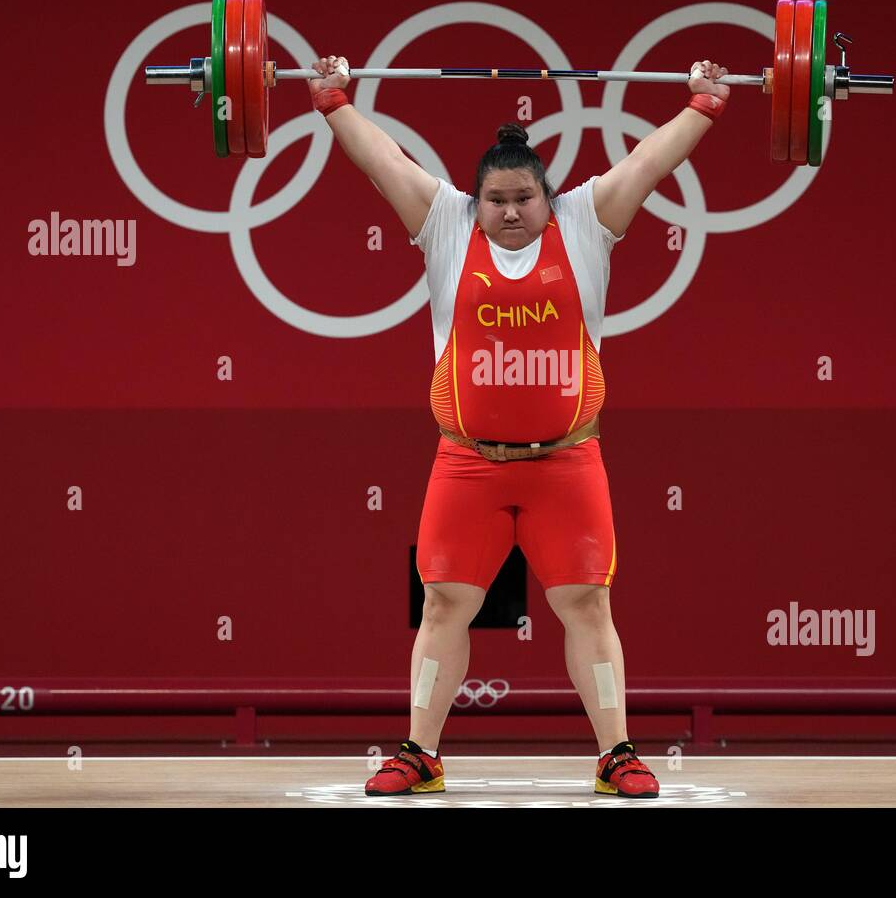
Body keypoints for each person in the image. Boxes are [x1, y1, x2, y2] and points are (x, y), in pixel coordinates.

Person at [307, 53, 730, 798]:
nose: (509, 212)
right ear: (475, 202)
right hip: (467, 464)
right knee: (444, 603)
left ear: (548, 196)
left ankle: (615, 754)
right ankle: (421, 753)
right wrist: (335, 99)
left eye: (523, 198)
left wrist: (703, 106)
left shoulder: (587, 219)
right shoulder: (443, 223)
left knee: (586, 603)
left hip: (566, 465)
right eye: (496, 200)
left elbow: (647, 163)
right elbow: (382, 159)